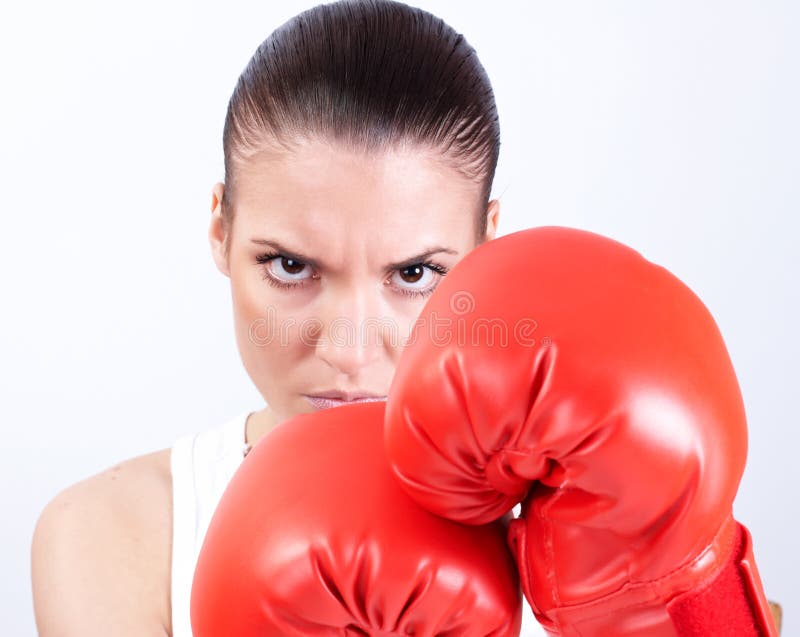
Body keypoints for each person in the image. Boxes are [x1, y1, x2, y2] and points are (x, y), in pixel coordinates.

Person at [30, 1, 528, 635]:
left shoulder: (573, 538)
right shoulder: (112, 535)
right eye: (292, 267)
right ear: (221, 231)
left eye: (413, 274)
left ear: (485, 250)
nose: (348, 350)